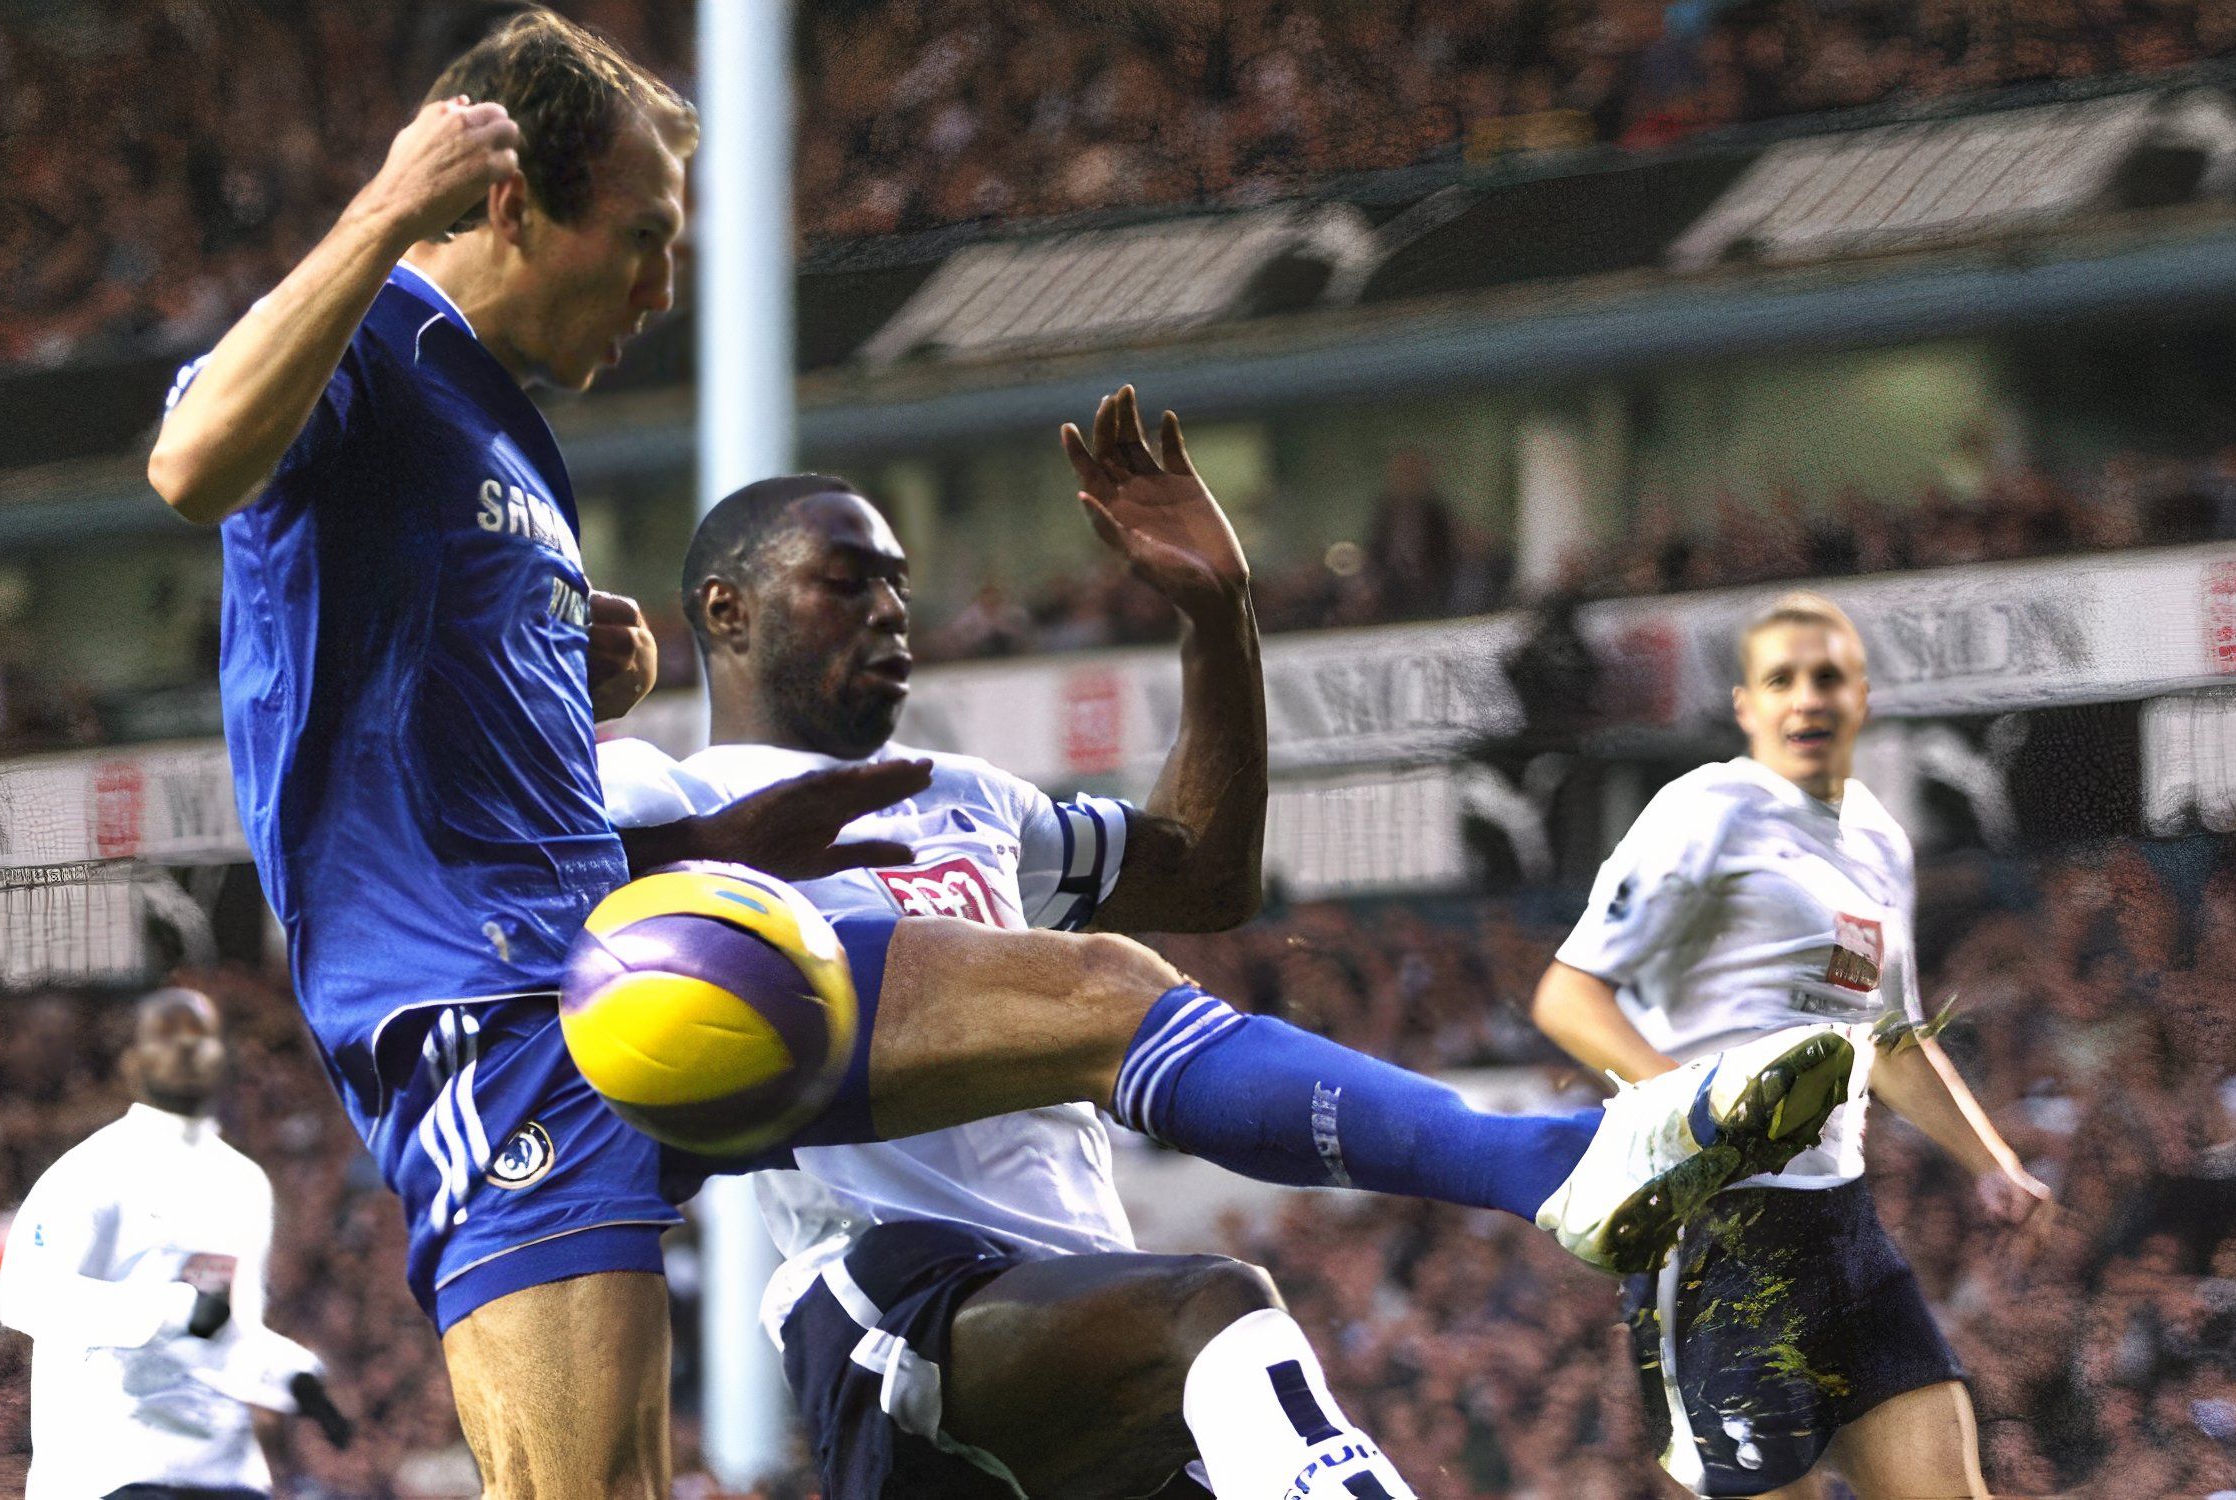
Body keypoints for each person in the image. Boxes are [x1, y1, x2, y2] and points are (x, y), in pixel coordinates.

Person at [146, 12, 1852, 1493]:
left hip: (627, 956)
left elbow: (427, 717)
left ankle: (1562, 1163)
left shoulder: (502, 426)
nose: (665, 286)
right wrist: (385, 208)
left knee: (1102, 986)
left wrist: (562, 673)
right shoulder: (372, 340)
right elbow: (194, 465)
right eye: (646, 239)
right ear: (509, 204)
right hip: (486, 1028)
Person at [599, 391, 1863, 1500]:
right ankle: (1547, 1162)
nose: (889, 611)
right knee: (1216, 1296)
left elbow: (1204, 873)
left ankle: (1549, 1167)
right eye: (845, 582)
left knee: (1223, 1332)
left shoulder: (966, 797)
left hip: (1081, 1300)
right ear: (727, 609)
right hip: (898, 1299)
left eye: (898, 585)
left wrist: (1218, 622)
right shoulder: (660, 798)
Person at [1528, 591, 2054, 1500]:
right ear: (1747, 706)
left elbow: (1890, 1038)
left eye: (1827, 678)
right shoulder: (1707, 809)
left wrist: (1992, 1164)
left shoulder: (1879, 840)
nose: (1806, 698)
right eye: (1781, 680)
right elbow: (1568, 997)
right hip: (1718, 1235)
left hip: (1844, 1226)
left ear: (1861, 697)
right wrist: (1699, 1119)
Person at [0, 988, 351, 1500]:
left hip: (222, 1477)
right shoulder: (90, 1170)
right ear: (133, 1064)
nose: (185, 1051)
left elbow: (221, 1331)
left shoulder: (243, 1184)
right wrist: (162, 1309)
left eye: (198, 1040)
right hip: (110, 1470)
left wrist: (295, 1378)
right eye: (166, 1039)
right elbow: (23, 1297)